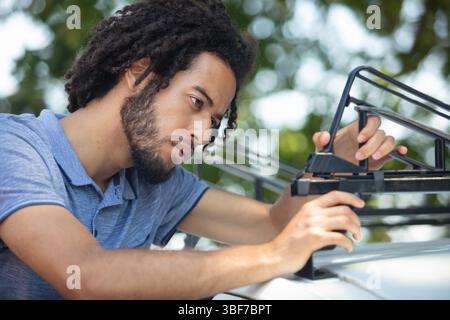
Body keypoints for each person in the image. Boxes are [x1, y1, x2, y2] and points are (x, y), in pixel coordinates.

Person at [0, 0, 407, 299]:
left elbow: (269, 224)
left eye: (214, 122)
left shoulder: (154, 183)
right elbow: (84, 274)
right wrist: (274, 257)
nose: (200, 134)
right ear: (140, 73)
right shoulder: (15, 149)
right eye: (196, 102)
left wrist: (333, 164)